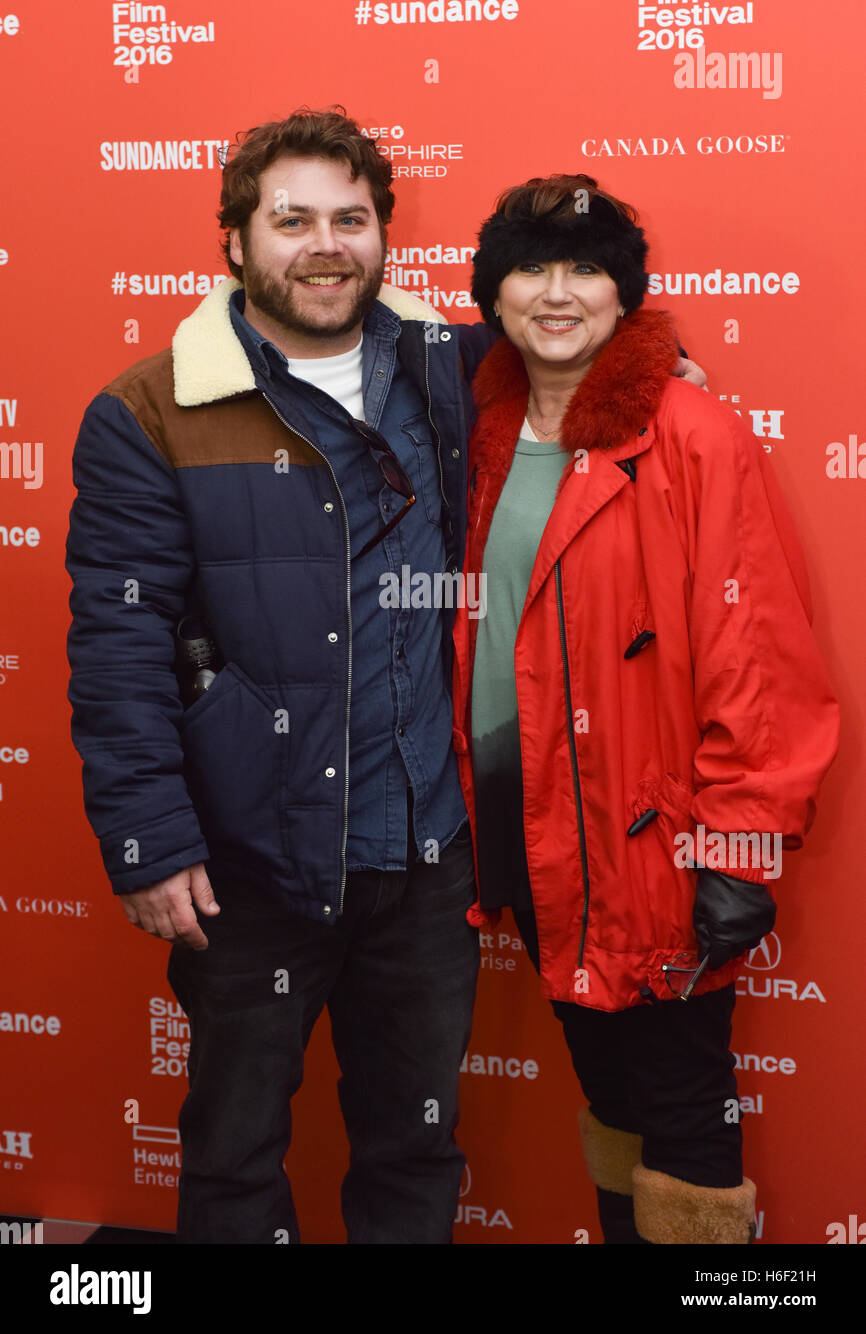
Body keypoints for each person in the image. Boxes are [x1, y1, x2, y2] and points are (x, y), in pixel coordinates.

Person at [65, 111, 706, 1245]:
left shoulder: (449, 368)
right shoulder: (148, 412)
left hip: (424, 859)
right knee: (231, 1153)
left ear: (383, 236)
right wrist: (147, 839)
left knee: (413, 1149)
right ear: (233, 243)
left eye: (350, 219)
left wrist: (655, 362)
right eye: (292, 220)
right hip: (246, 861)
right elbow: (118, 644)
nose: (325, 245)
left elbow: (580, 345)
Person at [450, 174, 839, 1244]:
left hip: (657, 848)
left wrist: (739, 844)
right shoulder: (477, 430)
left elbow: (753, 652)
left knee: (680, 1117)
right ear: (494, 294)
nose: (558, 291)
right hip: (531, 840)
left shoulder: (691, 433)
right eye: (531, 267)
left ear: (627, 296)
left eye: (587, 269)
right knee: (612, 1101)